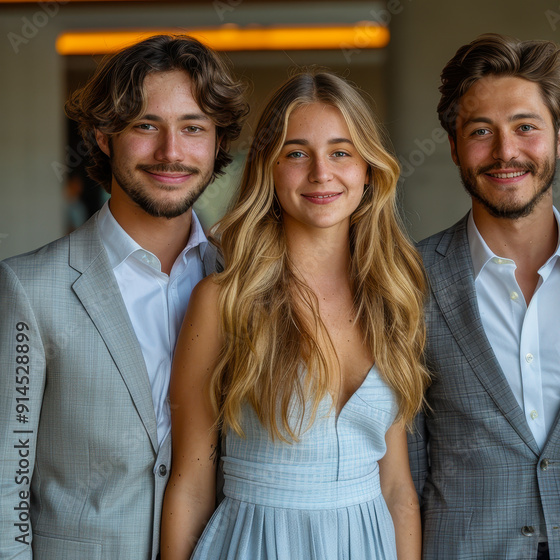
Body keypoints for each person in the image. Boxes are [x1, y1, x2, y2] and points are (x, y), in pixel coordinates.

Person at [160, 71, 427, 560]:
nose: (321, 173)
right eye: (297, 153)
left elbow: (396, 488)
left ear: (368, 171)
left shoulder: (392, 299)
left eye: (341, 153)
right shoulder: (222, 301)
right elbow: (191, 485)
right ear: (269, 169)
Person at [0, 35, 247, 559]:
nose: (171, 152)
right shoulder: (29, 288)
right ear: (104, 136)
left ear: (218, 141)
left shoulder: (246, 281)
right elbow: (4, 484)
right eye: (145, 126)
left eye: (193, 128)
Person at [406, 34, 560, 559]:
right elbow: (403, 465)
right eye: (481, 131)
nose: (505, 152)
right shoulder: (407, 279)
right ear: (453, 146)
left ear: (559, 137)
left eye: (525, 127)